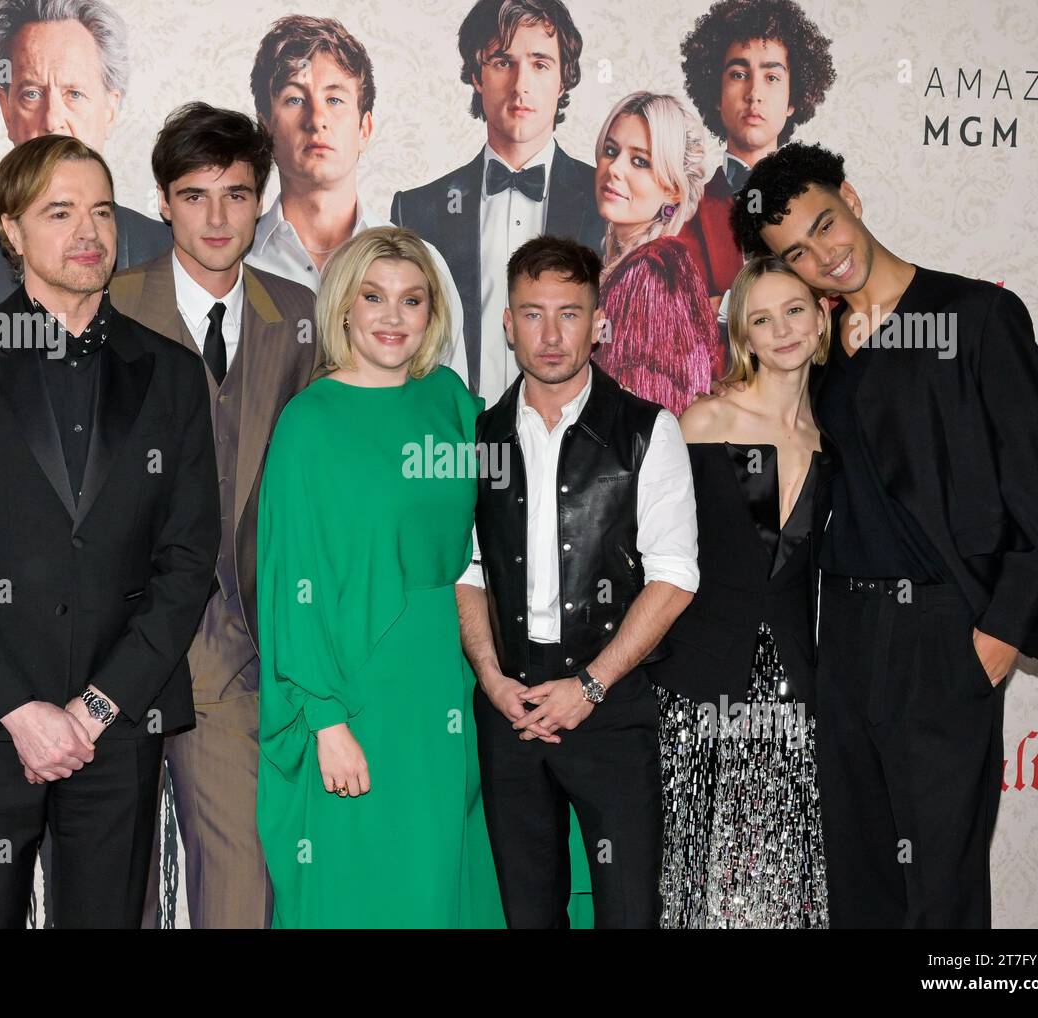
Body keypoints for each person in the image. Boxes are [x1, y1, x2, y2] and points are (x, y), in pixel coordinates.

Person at [730, 142, 1038, 928]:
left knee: (938, 892)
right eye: (797, 254)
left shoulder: (976, 316)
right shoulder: (815, 352)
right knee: (859, 880)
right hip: (843, 636)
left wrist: (997, 634)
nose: (824, 256)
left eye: (825, 224)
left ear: (851, 195)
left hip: (945, 633)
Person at [0, 134, 219, 928]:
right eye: (61, 211)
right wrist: (22, 712)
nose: (89, 232)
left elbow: (187, 563)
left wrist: (97, 709)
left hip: (120, 718)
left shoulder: (172, 373)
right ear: (10, 229)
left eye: (103, 210)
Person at [109, 101, 318, 929]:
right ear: (162, 201)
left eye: (236, 194)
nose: (218, 216)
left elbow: (325, 472)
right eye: (195, 196)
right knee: (105, 883)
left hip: (236, 646)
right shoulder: (109, 306)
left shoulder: (298, 316)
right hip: (110, 642)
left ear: (261, 200)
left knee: (239, 887)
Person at [256, 225, 502, 928]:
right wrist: (328, 722)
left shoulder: (450, 402)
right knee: (359, 892)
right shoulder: (310, 423)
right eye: (374, 297)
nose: (393, 317)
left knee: (437, 890)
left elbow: (490, 538)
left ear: (432, 314)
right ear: (343, 308)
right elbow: (289, 582)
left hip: (441, 691)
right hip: (354, 694)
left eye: (412, 300)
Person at [455, 235, 700, 928]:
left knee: (629, 915)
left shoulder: (648, 430)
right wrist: (492, 679)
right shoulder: (481, 437)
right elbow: (467, 570)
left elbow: (675, 577)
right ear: (508, 324)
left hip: (612, 711)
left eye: (570, 313)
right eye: (532, 313)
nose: (551, 333)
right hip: (511, 711)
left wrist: (590, 685)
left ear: (599, 323)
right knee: (529, 916)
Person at [656, 255, 834, 927]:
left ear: (821, 322)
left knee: (783, 891)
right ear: (744, 338)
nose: (782, 329)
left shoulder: (831, 444)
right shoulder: (705, 422)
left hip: (794, 699)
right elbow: (656, 559)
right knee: (702, 893)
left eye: (795, 310)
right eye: (762, 318)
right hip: (700, 694)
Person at [390, 0, 603, 401]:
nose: (521, 84)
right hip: (458, 439)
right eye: (503, 62)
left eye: (540, 63)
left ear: (563, 80)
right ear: (476, 75)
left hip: (582, 441)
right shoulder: (417, 210)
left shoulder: (608, 200)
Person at [246, 15, 466, 384]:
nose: (317, 120)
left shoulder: (424, 267)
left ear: (364, 129)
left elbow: (447, 413)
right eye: (295, 99)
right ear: (265, 124)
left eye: (334, 98)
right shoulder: (237, 264)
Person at [0, 0, 171, 304]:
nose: (52, 119)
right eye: (31, 94)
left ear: (111, 109)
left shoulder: (167, 250)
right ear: (6, 110)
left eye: (74, 93)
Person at [679, 0, 835, 308]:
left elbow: (836, 297)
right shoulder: (685, 210)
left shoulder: (826, 202)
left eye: (772, 77)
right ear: (716, 95)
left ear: (793, 99)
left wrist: (722, 305)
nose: (754, 94)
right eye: (738, 74)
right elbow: (679, 316)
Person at [592, 91, 720, 414]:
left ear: (673, 190)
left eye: (640, 161)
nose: (614, 169)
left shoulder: (650, 273)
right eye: (611, 151)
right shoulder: (655, 264)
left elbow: (642, 421)